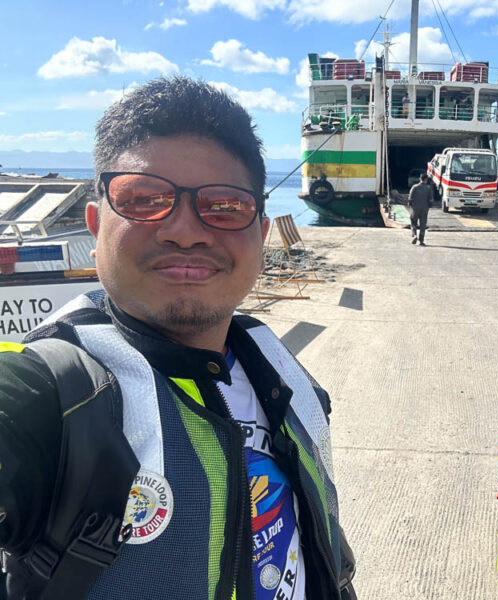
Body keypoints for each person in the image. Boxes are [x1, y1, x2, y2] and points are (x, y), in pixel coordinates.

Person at [0, 77, 356, 600]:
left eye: (225, 205)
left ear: (260, 235)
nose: (185, 232)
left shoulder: (273, 365)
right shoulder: (52, 394)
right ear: (96, 226)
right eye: (144, 200)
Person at [408, 172, 434, 246]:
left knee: (413, 222)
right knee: (423, 224)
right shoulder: (429, 188)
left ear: (420, 178)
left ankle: (414, 235)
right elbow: (431, 200)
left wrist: (410, 205)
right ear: (426, 179)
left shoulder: (414, 187)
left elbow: (410, 198)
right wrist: (429, 206)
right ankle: (421, 240)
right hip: (424, 209)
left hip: (415, 208)